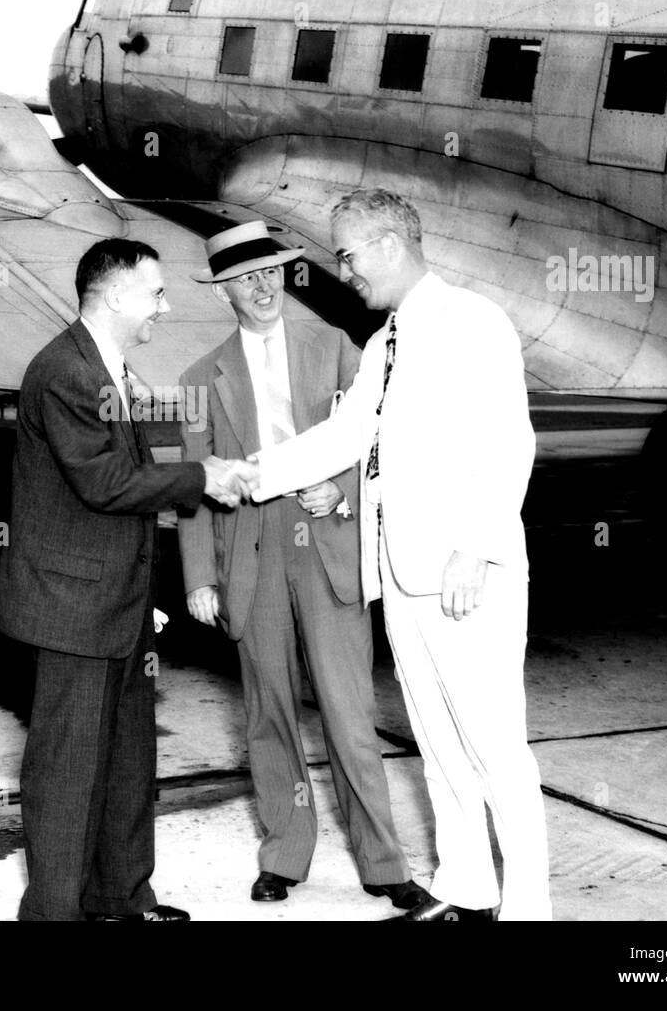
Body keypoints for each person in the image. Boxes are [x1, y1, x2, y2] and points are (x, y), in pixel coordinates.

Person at [249, 189, 552, 921]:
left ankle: (529, 907)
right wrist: (252, 474)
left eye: (348, 256)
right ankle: (467, 886)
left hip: (463, 573)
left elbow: (511, 441)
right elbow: (346, 437)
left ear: (388, 244)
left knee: (493, 745)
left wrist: (474, 549)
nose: (344, 271)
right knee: (441, 747)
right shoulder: (386, 343)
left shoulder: (472, 322)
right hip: (402, 577)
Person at [0, 237, 252, 922]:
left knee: (126, 761)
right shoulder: (67, 372)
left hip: (115, 602)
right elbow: (105, 482)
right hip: (71, 607)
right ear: (113, 295)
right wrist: (204, 476)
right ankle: (53, 913)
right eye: (156, 293)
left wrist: (146, 597)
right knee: (68, 769)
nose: (165, 308)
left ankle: (120, 897)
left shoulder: (104, 366)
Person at [177, 220, 427, 911]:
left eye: (270, 273)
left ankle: (384, 861)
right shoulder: (201, 377)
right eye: (244, 279)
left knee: (350, 715)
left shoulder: (338, 348)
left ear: (285, 276)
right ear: (225, 290)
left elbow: (375, 441)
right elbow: (194, 486)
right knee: (269, 712)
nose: (261, 288)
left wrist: (341, 491)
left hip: (324, 542)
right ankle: (284, 852)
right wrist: (199, 575)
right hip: (249, 553)